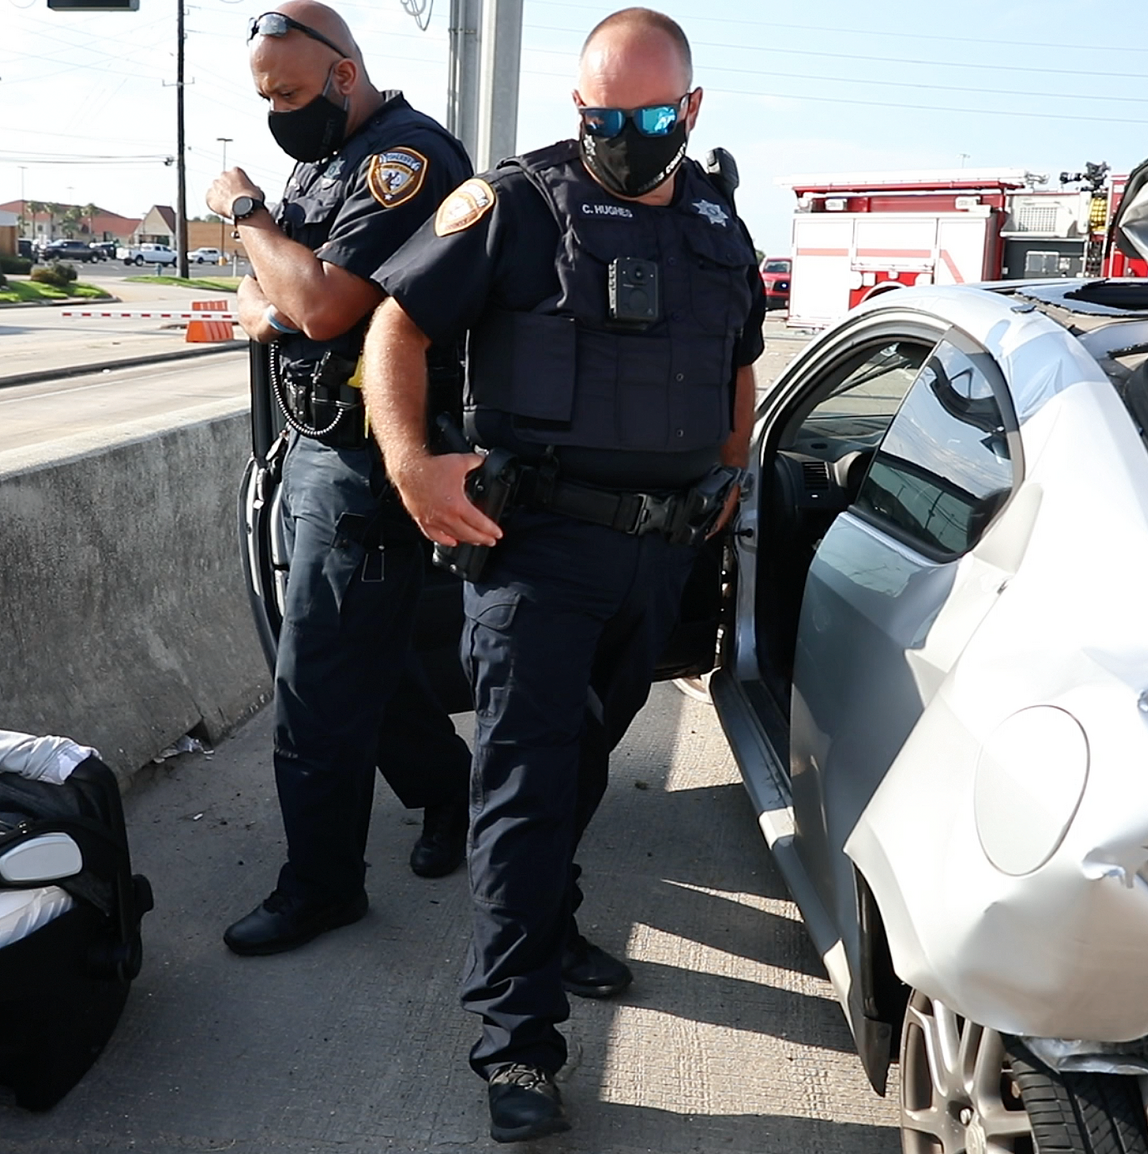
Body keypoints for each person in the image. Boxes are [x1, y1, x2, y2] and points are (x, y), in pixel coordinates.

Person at [361, 8, 762, 1141]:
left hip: (655, 557)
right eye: (598, 116)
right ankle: (518, 1043)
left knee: (582, 757)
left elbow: (740, 360)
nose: (619, 136)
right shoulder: (514, 206)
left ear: (686, 110)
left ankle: (548, 920)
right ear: (575, 109)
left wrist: (725, 474)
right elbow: (393, 328)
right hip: (532, 551)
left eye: (642, 116)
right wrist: (408, 459)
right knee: (526, 786)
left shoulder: (715, 218)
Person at [207, 1, 474, 958]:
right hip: (318, 442)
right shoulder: (325, 159)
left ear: (345, 75)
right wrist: (275, 273)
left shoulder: (403, 161)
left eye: (286, 90)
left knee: (315, 674)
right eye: (263, 95)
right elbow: (266, 293)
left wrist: (246, 216)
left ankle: (320, 887)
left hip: (373, 452)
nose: (276, 109)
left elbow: (315, 302)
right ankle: (451, 796)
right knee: (373, 653)